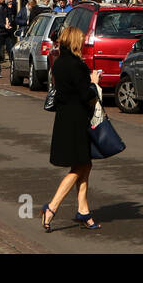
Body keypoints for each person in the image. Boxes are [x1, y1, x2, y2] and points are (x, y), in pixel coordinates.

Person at [41, 26, 103, 231]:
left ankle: (83, 211)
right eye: (82, 40)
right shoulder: (77, 65)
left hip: (64, 119)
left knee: (85, 165)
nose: (84, 43)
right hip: (76, 121)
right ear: (76, 42)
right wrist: (94, 82)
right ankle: (51, 207)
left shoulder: (59, 64)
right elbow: (85, 95)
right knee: (78, 167)